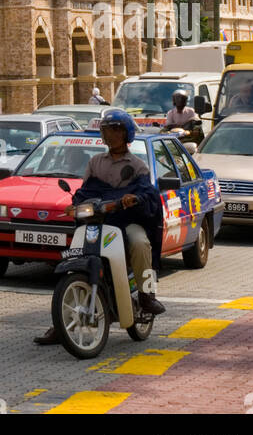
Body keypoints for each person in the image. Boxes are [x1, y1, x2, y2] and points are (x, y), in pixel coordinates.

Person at [34, 108, 165, 345]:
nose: (110, 135)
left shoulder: (137, 166)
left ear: (126, 134)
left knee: (140, 242)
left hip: (126, 220)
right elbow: (86, 192)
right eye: (107, 130)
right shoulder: (95, 163)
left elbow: (147, 192)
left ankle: (147, 295)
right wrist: (74, 205)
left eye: (116, 130)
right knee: (77, 256)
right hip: (99, 219)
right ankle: (62, 322)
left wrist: (133, 199)